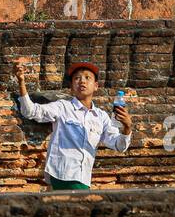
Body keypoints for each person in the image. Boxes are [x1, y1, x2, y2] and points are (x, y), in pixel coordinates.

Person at [15, 59, 130, 191]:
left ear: (96, 86)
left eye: (87, 78)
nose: (82, 81)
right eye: (77, 78)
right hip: (64, 174)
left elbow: (119, 145)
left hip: (84, 177)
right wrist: (21, 82)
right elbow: (31, 111)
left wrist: (127, 128)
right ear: (71, 87)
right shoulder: (63, 107)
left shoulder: (100, 116)